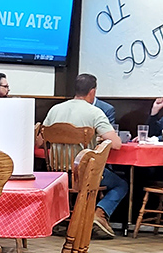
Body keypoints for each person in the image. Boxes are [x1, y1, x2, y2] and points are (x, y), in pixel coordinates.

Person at [42, 73, 127, 239]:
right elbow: (116, 144)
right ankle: (99, 214)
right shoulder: (95, 112)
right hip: (83, 174)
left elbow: (40, 140)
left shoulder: (55, 109)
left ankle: (63, 218)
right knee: (121, 185)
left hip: (58, 175)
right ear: (92, 92)